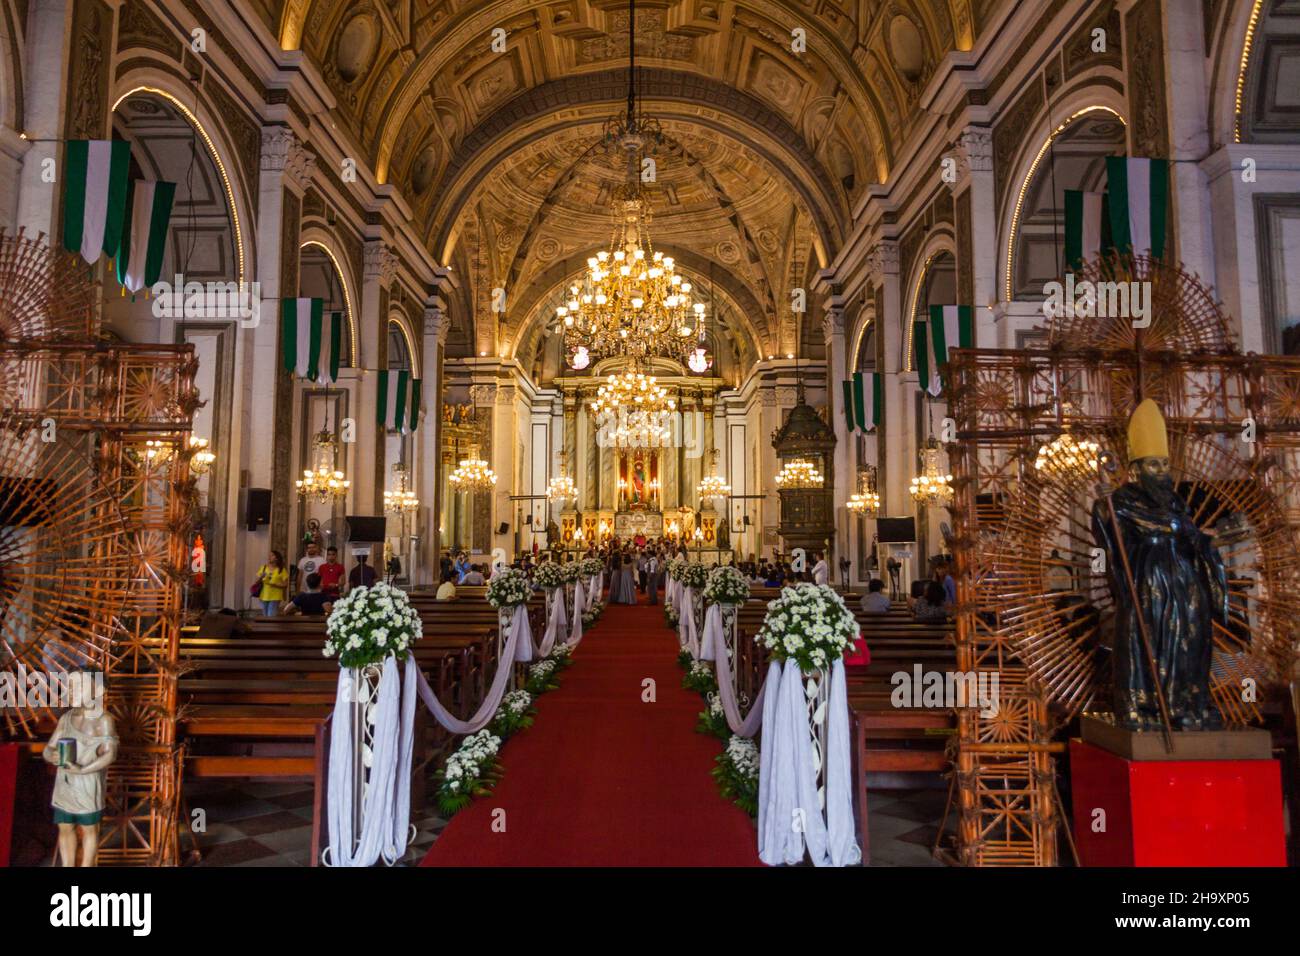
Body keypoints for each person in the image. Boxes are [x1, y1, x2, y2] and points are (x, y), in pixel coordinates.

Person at [42, 669, 118, 866]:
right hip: (64, 785)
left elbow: (110, 754)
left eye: (80, 686)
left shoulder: (104, 720)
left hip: (88, 785)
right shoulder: (66, 719)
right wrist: (53, 755)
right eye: (71, 685)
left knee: (90, 828)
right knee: (65, 827)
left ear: (98, 689)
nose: (72, 690)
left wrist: (83, 769)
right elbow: (48, 749)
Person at [255, 550, 288, 616]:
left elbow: (285, 584)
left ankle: (270, 626)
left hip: (275, 597)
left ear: (277, 558)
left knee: (271, 616)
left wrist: (274, 584)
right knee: (265, 616)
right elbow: (256, 582)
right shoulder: (263, 568)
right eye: (269, 555)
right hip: (264, 596)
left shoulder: (281, 570)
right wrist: (261, 577)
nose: (269, 557)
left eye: (272, 555)